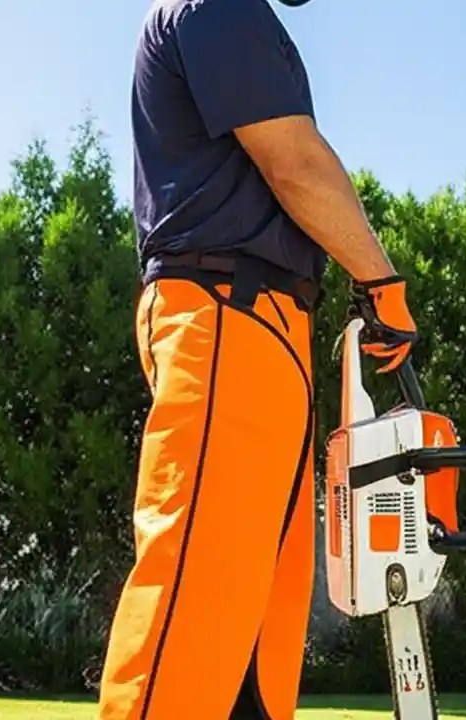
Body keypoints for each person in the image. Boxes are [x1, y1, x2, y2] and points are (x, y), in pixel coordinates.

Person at [96, 0, 419, 717]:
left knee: (252, 622)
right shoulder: (218, 6)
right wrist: (382, 281)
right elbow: (295, 162)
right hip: (223, 313)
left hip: (263, 323)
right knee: (196, 593)